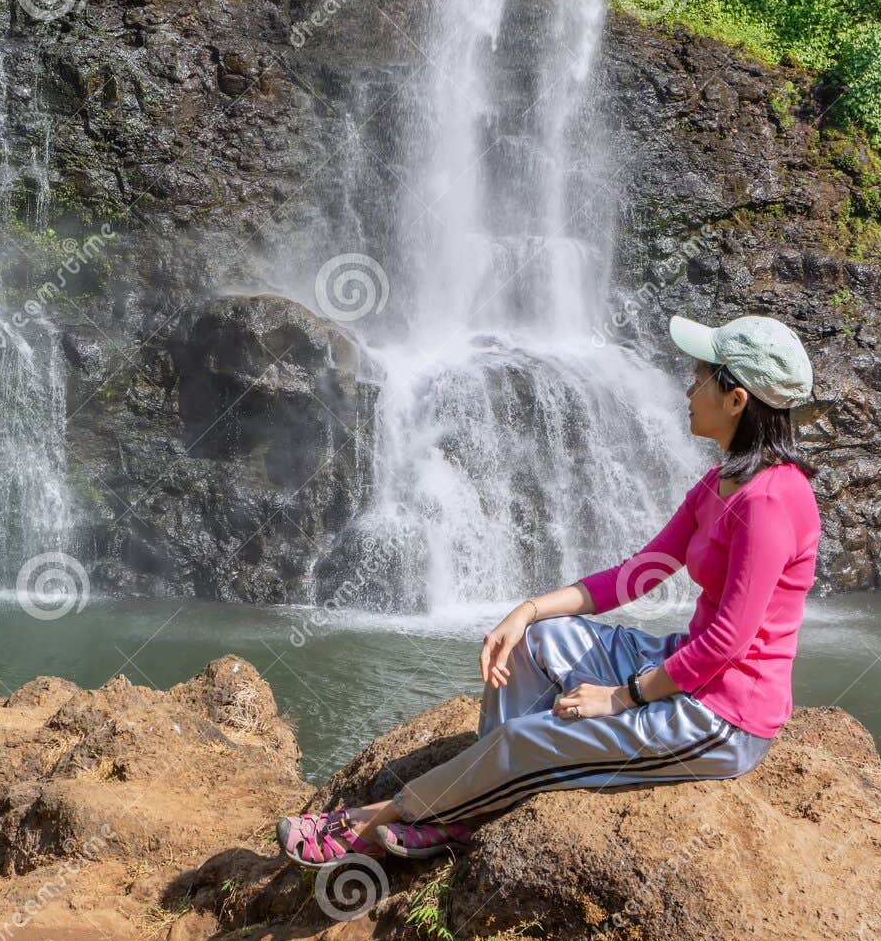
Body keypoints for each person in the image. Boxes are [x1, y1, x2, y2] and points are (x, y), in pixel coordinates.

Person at [279, 314, 822, 864]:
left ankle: (378, 820)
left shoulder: (770, 502)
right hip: (685, 668)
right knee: (533, 641)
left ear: (736, 400)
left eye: (700, 378)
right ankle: (470, 805)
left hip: (722, 717)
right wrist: (528, 611)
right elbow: (637, 574)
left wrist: (621, 697)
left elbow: (728, 641)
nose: (688, 390)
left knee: (525, 740)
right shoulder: (721, 482)